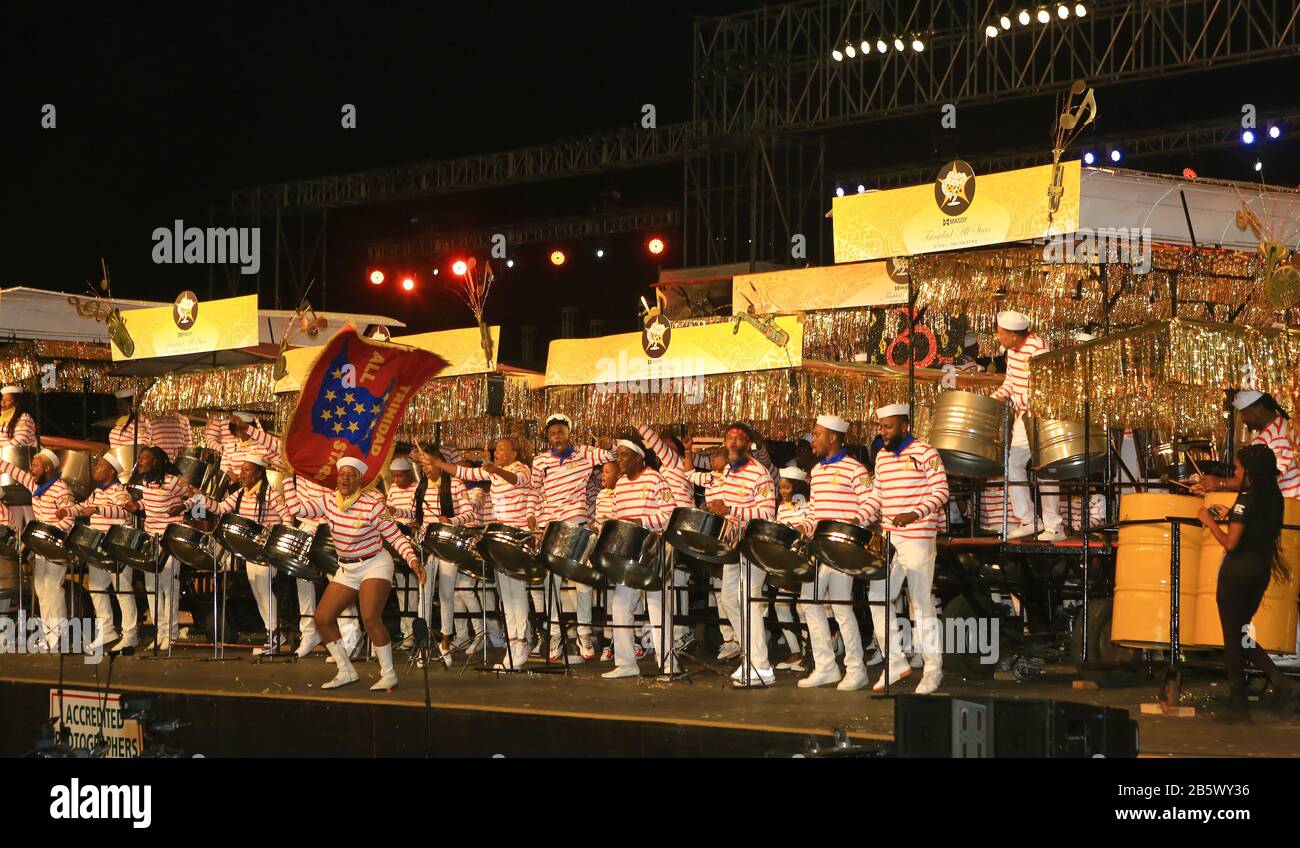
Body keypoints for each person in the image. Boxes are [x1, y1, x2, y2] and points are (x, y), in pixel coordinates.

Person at [285, 457, 422, 690]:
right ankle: (345, 670)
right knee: (323, 618)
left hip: (375, 564)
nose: (345, 478)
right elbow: (297, 508)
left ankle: (388, 674)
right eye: (342, 474)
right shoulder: (328, 501)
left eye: (351, 475)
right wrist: (289, 477)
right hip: (347, 568)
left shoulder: (373, 505)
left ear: (360, 480)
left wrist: (412, 560)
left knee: (370, 617)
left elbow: (395, 536)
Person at [1197, 444, 1300, 723]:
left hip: (1236, 574)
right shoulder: (1274, 499)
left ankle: (1241, 708)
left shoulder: (1246, 498)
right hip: (1259, 572)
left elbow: (1231, 544)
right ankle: (1282, 684)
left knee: (1234, 641)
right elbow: (1252, 526)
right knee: (1241, 635)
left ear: (1249, 471)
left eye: (1239, 468)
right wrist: (1228, 514)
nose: (1236, 472)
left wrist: (1208, 520)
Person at [862, 403, 949, 695]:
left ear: (904, 426)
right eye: (882, 427)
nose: (883, 432)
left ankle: (933, 670)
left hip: (918, 535)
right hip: (890, 538)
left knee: (920, 604)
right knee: (877, 597)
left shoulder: (926, 452)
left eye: (889, 427)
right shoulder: (883, 458)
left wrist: (915, 513)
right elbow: (876, 497)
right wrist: (858, 517)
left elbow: (942, 491)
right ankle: (896, 663)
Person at [428, 436, 534, 670]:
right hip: (499, 537)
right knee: (505, 593)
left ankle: (521, 641)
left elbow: (517, 480)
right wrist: (437, 462)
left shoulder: (521, 468)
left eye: (503, 449)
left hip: (516, 536)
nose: (497, 452)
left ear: (514, 454)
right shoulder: (493, 472)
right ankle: (513, 641)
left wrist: (495, 469)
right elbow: (465, 473)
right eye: (497, 449)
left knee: (516, 591)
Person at [182, 451, 292, 655]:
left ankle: (275, 635)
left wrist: (275, 536)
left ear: (259, 473)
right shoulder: (241, 493)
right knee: (259, 593)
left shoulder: (270, 494)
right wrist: (199, 496)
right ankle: (274, 634)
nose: (242, 474)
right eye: (241, 470)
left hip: (266, 552)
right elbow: (221, 507)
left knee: (265, 591)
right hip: (251, 552)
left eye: (247, 470)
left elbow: (287, 517)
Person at [793, 416, 874, 690]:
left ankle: (856, 668)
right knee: (809, 603)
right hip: (819, 548)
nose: (812, 439)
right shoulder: (816, 472)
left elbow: (870, 504)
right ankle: (826, 666)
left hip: (842, 547)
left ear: (832, 438)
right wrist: (804, 526)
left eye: (817, 434)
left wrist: (850, 525)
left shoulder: (856, 470)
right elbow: (815, 511)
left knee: (840, 606)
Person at [531, 414, 614, 661]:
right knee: (551, 583)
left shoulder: (584, 453)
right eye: (552, 433)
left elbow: (610, 457)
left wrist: (607, 445)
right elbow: (534, 491)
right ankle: (555, 634)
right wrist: (531, 517)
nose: (557, 436)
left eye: (560, 431)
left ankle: (584, 632)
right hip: (550, 526)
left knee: (583, 581)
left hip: (576, 521)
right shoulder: (540, 461)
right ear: (548, 437)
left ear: (569, 432)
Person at [706, 422, 778, 687]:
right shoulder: (727, 471)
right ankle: (752, 657)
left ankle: (762, 667)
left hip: (755, 546)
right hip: (733, 546)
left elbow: (766, 514)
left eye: (739, 438)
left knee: (748, 601)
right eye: (729, 438)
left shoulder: (759, 474)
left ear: (749, 444)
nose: (733, 442)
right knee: (728, 600)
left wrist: (730, 510)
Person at [602, 436, 676, 680]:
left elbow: (670, 513)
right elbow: (616, 515)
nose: (619, 460)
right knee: (620, 606)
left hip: (652, 548)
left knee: (656, 607)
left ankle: (667, 664)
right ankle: (626, 663)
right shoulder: (621, 484)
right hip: (627, 553)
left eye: (623, 455)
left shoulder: (655, 478)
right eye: (618, 455)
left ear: (638, 457)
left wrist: (641, 522)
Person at [990, 310, 1062, 541]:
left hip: (1042, 415)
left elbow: (1044, 389)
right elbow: (1011, 381)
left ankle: (1055, 527)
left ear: (1013, 334)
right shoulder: (1012, 350)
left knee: (1045, 469)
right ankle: (1029, 519)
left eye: (1000, 333)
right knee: (1013, 463)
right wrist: (995, 398)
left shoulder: (1038, 351)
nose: (998, 337)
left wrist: (1019, 402)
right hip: (1024, 416)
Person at [58, 452, 140, 652]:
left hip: (116, 548)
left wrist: (98, 510)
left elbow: (124, 511)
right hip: (98, 549)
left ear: (111, 471)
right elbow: (83, 508)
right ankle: (107, 629)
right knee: (96, 588)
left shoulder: (119, 491)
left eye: (99, 466)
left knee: (123, 590)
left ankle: (130, 635)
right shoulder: (96, 493)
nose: (95, 469)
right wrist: (67, 511)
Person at [408, 445, 478, 660]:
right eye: (423, 465)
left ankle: (446, 640)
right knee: (425, 595)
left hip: (447, 544)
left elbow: (469, 513)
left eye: (428, 464)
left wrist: (451, 520)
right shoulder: (421, 486)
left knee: (447, 594)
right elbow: (413, 512)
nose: (425, 469)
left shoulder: (455, 484)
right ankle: (423, 644)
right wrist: (395, 512)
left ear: (438, 462)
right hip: (427, 545)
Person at [0, 448, 74, 649]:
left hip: (56, 545)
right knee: (42, 590)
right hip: (41, 546)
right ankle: (49, 635)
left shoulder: (62, 489)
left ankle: (60, 636)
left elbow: (69, 519)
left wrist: (50, 534)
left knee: (54, 589)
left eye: (35, 465)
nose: (31, 469)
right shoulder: (35, 485)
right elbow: (11, 469)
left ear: (48, 467)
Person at [129, 446, 189, 651]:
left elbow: (195, 496)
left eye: (144, 458)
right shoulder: (147, 483)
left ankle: (171, 634)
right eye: (139, 457)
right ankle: (160, 631)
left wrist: (183, 507)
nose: (140, 461)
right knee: (152, 588)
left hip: (170, 541)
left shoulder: (172, 482)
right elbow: (148, 503)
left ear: (156, 462)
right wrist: (138, 506)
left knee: (168, 588)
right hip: (150, 540)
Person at [688, 445, 739, 659]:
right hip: (713, 535)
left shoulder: (734, 477)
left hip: (730, 534)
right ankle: (728, 638)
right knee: (719, 591)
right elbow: (689, 473)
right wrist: (687, 450)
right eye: (709, 457)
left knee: (735, 592)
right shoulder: (709, 478)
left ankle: (742, 636)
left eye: (716, 456)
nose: (711, 461)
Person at [384, 457, 429, 651]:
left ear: (408, 474)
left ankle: (414, 633)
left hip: (412, 539)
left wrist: (398, 511)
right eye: (393, 476)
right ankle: (406, 631)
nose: (396, 480)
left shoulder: (418, 487)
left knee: (413, 590)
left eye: (400, 476)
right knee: (402, 589)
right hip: (396, 538)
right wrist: (387, 514)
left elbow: (417, 514)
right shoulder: (393, 490)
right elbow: (388, 513)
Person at [772, 466, 808, 672]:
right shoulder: (782, 508)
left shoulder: (808, 505)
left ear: (798, 487)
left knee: (804, 608)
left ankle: (807, 653)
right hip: (786, 563)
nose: (783, 491)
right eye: (781, 488)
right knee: (780, 606)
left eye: (786, 487)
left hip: (803, 562)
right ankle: (795, 651)